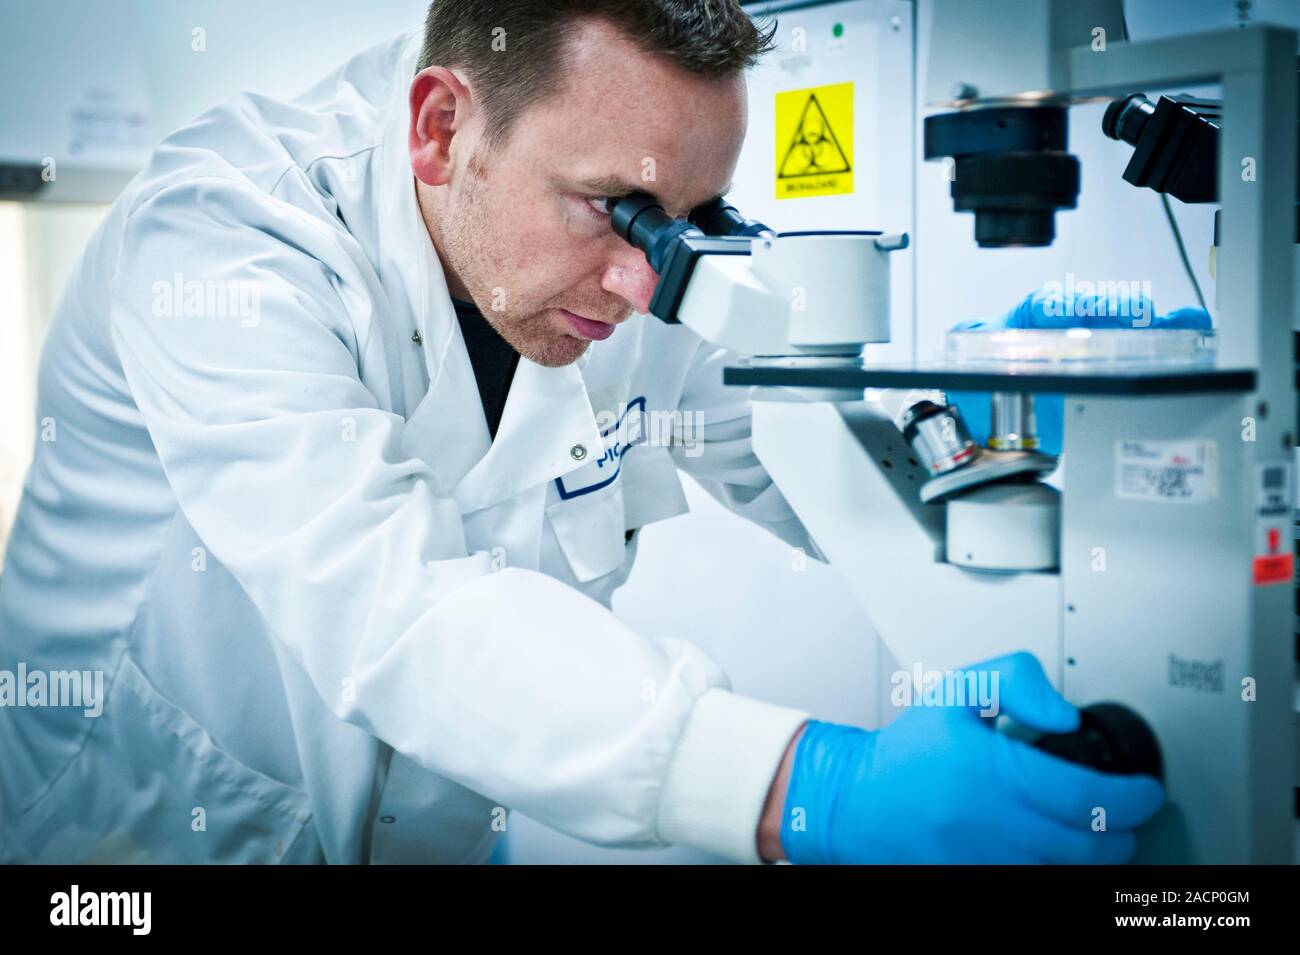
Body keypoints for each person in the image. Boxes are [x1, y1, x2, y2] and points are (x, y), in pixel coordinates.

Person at [0, 0, 1162, 865]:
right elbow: (390, 602)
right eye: (618, 213)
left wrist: (1004, 473)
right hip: (134, 834)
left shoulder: (625, 260)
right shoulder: (224, 237)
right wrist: (813, 784)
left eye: (689, 224)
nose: (641, 284)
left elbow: (795, 469)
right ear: (440, 126)